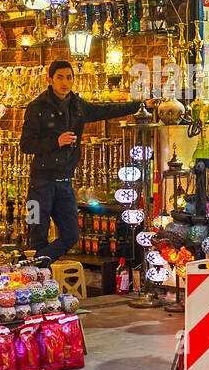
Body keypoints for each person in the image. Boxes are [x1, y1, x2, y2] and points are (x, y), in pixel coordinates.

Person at [18, 60, 159, 265]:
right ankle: (37, 272)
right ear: (50, 80)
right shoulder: (37, 107)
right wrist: (56, 141)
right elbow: (26, 145)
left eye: (69, 78)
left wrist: (141, 105)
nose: (65, 82)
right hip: (39, 183)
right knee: (37, 233)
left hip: (65, 182)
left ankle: (34, 265)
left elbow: (107, 110)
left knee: (71, 236)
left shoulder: (77, 105)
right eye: (60, 77)